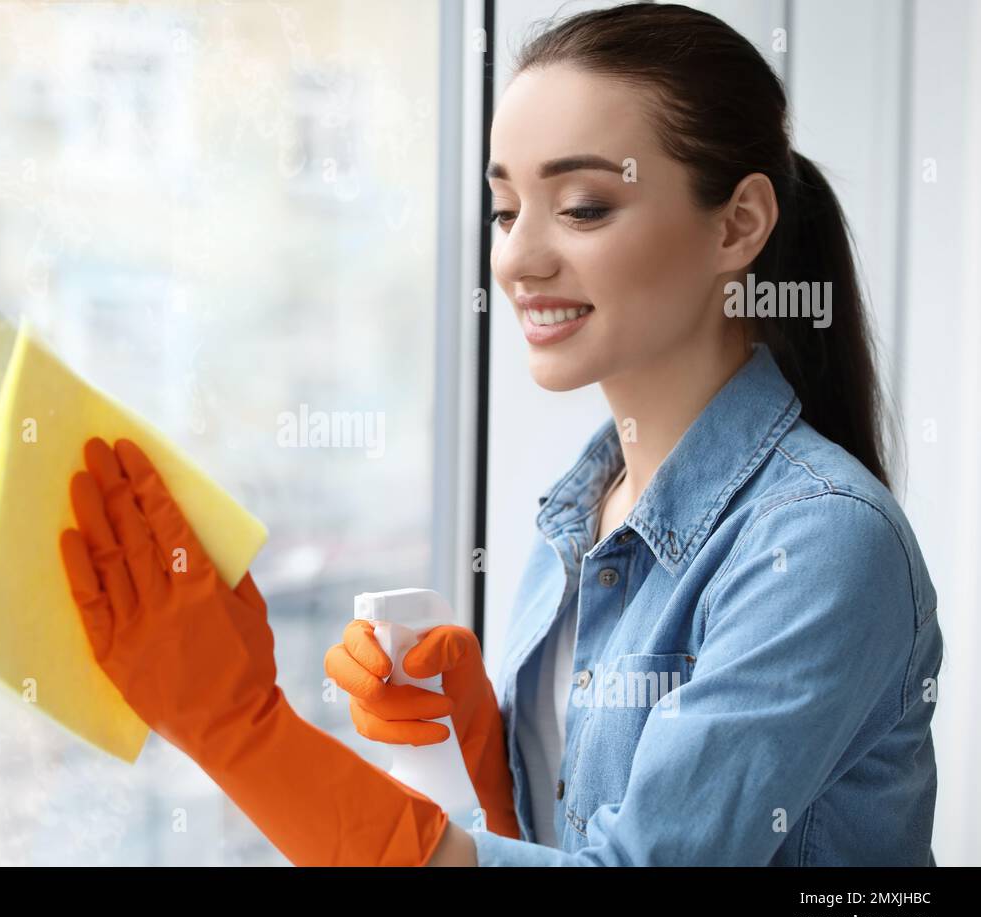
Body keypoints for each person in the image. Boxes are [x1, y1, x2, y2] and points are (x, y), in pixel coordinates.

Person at [59, 2, 942, 866]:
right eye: (505, 210)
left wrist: (239, 731)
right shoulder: (581, 514)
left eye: (585, 206)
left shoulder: (820, 541)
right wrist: (485, 752)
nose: (517, 257)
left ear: (738, 224)